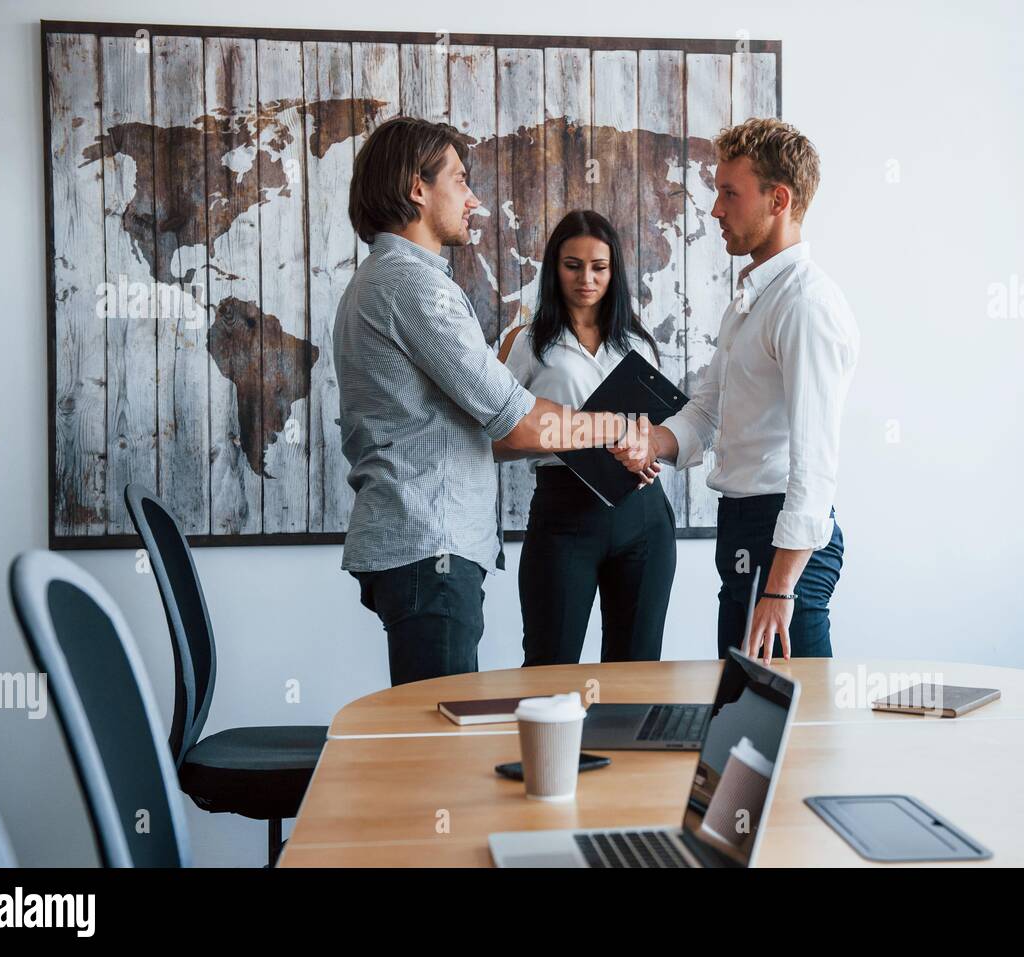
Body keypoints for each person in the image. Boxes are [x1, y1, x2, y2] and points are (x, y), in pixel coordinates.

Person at [334, 116, 653, 686]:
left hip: (425, 549)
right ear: (417, 189)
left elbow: (497, 425)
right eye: (459, 180)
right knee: (443, 756)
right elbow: (517, 419)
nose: (473, 199)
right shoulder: (411, 284)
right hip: (430, 547)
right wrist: (618, 429)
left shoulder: (387, 279)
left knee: (439, 744)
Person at [613, 117, 860, 666]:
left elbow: (815, 467)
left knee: (801, 729)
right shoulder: (749, 301)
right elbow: (706, 411)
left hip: (783, 544)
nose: (716, 209)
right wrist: (651, 441)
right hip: (745, 532)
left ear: (778, 199)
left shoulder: (805, 306)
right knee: (740, 724)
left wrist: (780, 590)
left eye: (729, 193)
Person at [498, 210, 676, 666]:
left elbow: (657, 431)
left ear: (614, 271)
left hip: (643, 513)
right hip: (564, 514)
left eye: (599, 267)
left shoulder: (638, 344)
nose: (586, 279)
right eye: (572, 265)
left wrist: (645, 447)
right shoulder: (527, 342)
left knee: (637, 670)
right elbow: (495, 439)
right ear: (554, 268)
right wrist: (574, 432)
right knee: (548, 665)